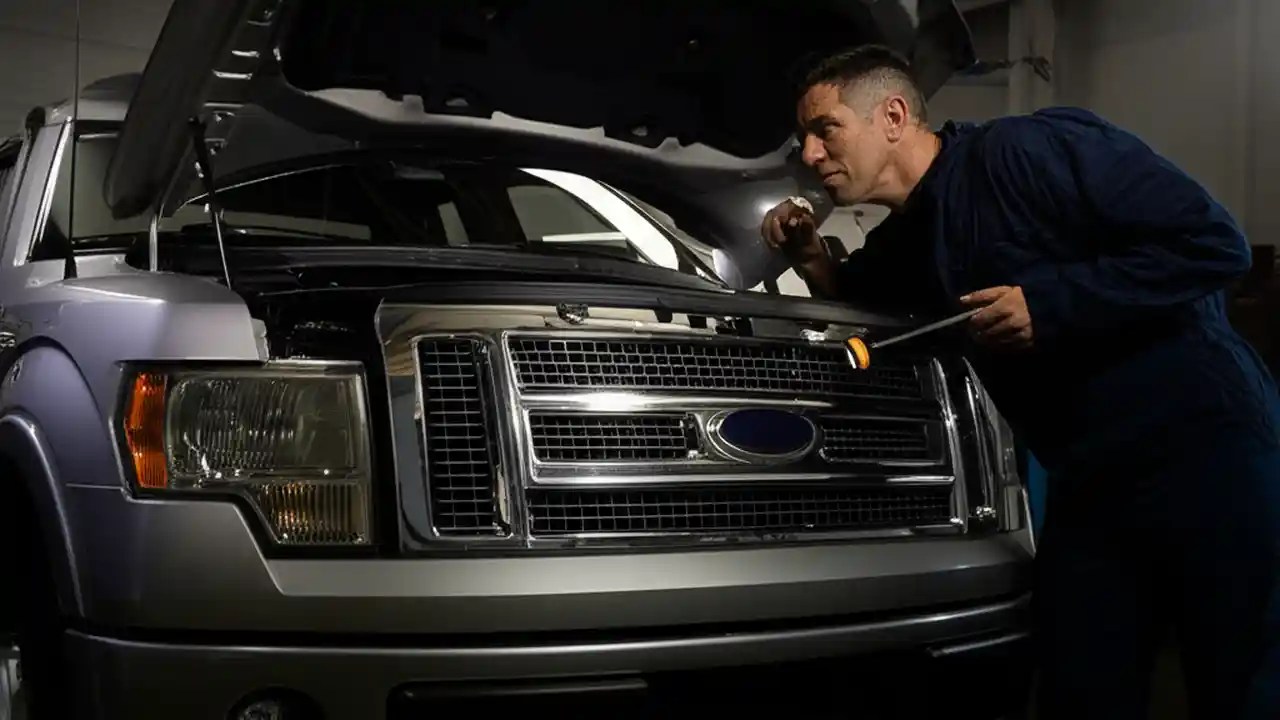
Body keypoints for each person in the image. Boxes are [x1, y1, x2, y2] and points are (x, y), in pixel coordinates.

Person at [762, 46, 1280, 720]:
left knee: (1241, 687)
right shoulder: (911, 237)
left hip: (1206, 456)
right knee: (1079, 689)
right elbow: (863, 300)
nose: (808, 153)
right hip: (1090, 485)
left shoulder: (1025, 151)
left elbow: (1215, 243)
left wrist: (1053, 302)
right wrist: (809, 256)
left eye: (824, 129)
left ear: (892, 115)